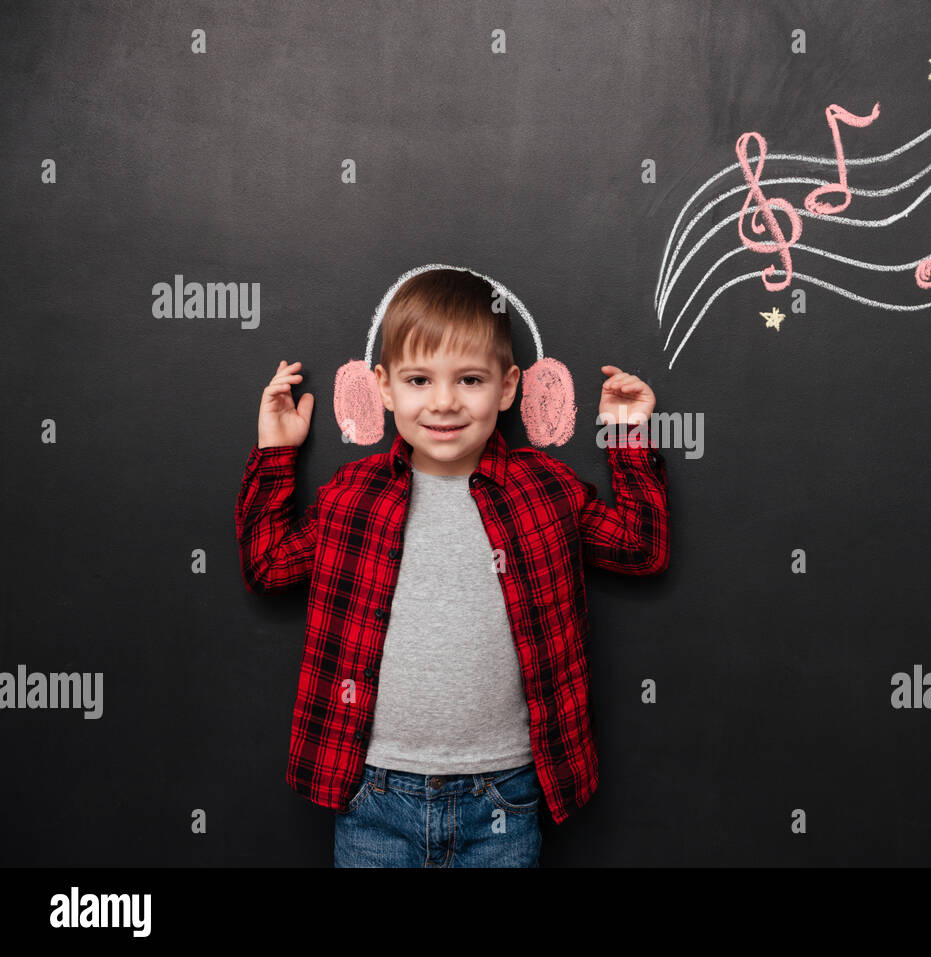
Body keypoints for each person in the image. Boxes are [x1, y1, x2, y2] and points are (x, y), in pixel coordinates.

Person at [235, 268, 669, 866]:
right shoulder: (352, 497)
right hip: (373, 794)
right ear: (384, 388)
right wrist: (276, 452)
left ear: (509, 386)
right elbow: (269, 566)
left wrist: (628, 437)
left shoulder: (543, 491)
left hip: (504, 798)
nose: (443, 402)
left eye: (470, 379)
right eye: (419, 380)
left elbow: (641, 549)